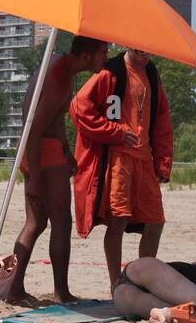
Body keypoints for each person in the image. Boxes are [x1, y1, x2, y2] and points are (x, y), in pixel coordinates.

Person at [7, 36, 109, 305]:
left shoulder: (57, 65)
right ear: (86, 56)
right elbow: (35, 129)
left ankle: (14, 287)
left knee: (36, 223)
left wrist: (66, 149)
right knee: (61, 224)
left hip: (41, 150)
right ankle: (60, 292)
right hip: (41, 151)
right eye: (102, 52)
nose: (106, 58)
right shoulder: (60, 78)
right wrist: (37, 181)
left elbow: (55, 116)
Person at [70, 47, 174, 289]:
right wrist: (114, 131)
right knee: (119, 220)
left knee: (155, 221)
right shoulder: (110, 72)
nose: (147, 51)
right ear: (128, 43)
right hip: (118, 159)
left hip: (144, 160)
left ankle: (145, 282)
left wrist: (163, 161)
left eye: (151, 47)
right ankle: (116, 284)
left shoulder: (152, 74)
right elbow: (79, 107)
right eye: (141, 46)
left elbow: (162, 120)